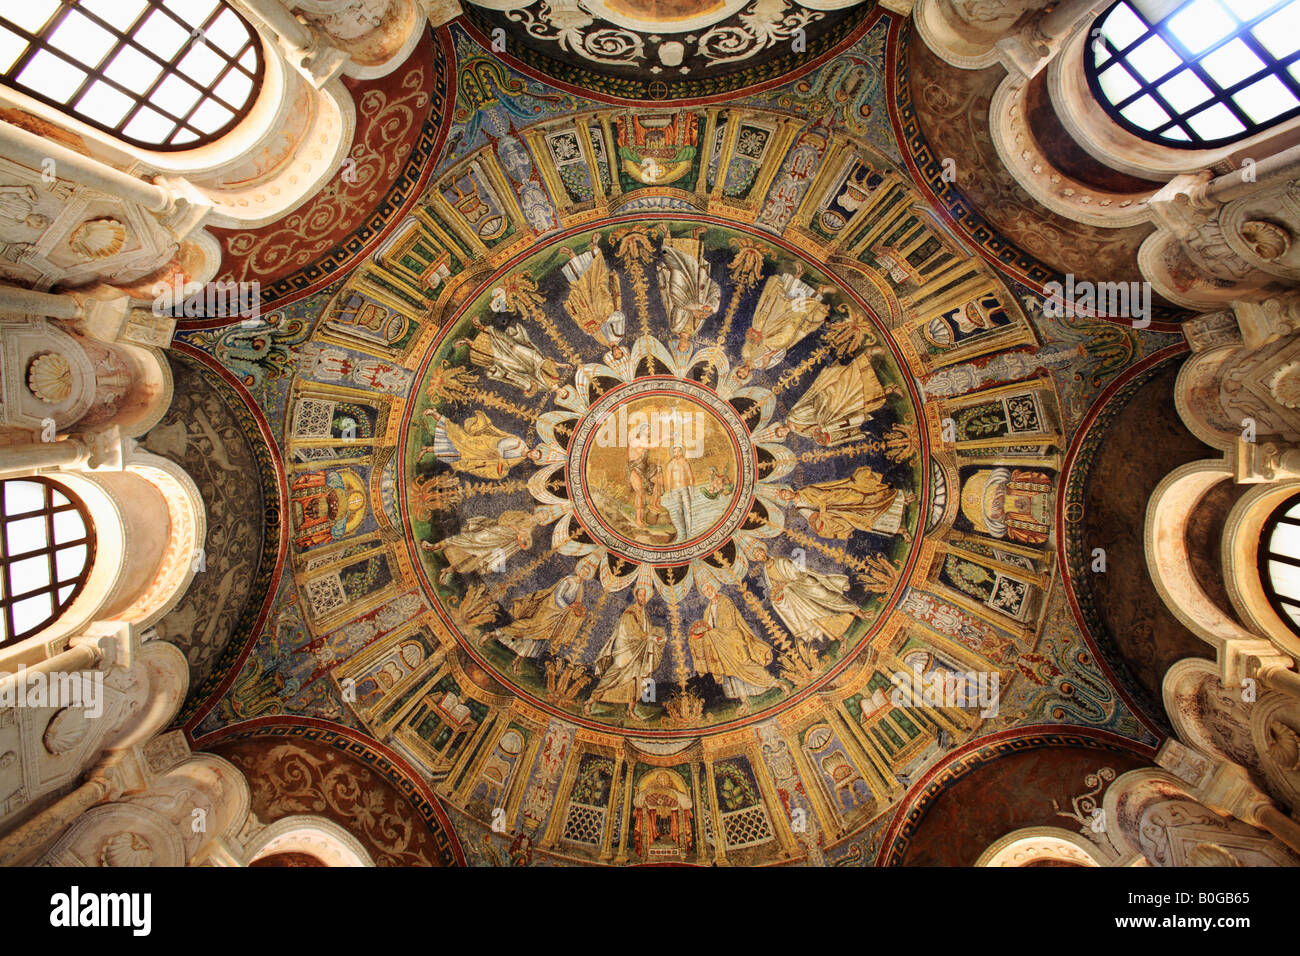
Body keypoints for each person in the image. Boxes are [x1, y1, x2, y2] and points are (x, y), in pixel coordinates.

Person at [690, 583, 781, 713]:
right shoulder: (708, 609)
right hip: (721, 646)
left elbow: (729, 624)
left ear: (715, 588)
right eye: (704, 591)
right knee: (731, 675)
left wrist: (712, 633)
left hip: (733, 640)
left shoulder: (725, 601)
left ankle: (775, 683)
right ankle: (744, 702)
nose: (707, 592)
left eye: (709, 588)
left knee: (745, 664)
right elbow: (707, 627)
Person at [491, 563, 594, 672]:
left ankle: (517, 661)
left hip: (560, 616)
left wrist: (577, 611)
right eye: (583, 570)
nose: (584, 573)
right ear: (579, 570)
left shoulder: (580, 587)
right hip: (550, 608)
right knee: (531, 625)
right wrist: (567, 607)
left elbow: (577, 603)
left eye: (587, 573)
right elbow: (557, 596)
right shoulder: (568, 580)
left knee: (538, 639)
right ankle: (495, 633)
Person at [586, 587, 666, 719]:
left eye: (645, 596)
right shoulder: (630, 612)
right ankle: (590, 701)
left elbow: (649, 630)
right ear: (636, 596)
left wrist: (657, 636)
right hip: (626, 649)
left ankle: (630, 710)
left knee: (637, 680)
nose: (642, 598)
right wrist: (647, 636)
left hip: (639, 650)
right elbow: (631, 630)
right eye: (640, 595)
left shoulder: (645, 614)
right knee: (613, 673)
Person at [779, 466, 913, 541]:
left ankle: (902, 501)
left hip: (840, 500)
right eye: (784, 496)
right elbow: (813, 517)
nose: (786, 494)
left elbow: (823, 495)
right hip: (836, 513)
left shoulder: (805, 491)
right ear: (786, 500)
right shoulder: (799, 507)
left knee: (870, 501)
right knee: (864, 523)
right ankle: (900, 530)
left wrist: (824, 505)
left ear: (789, 490)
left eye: (785, 492)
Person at [661, 445, 695, 542]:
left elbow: (690, 475)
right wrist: (668, 492)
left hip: (684, 488)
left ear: (682, 452)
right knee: (679, 512)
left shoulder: (685, 462)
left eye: (678, 451)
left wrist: (692, 490)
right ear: (673, 453)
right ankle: (683, 533)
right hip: (675, 490)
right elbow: (667, 479)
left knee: (688, 510)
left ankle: (690, 531)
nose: (677, 454)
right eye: (675, 452)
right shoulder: (670, 464)